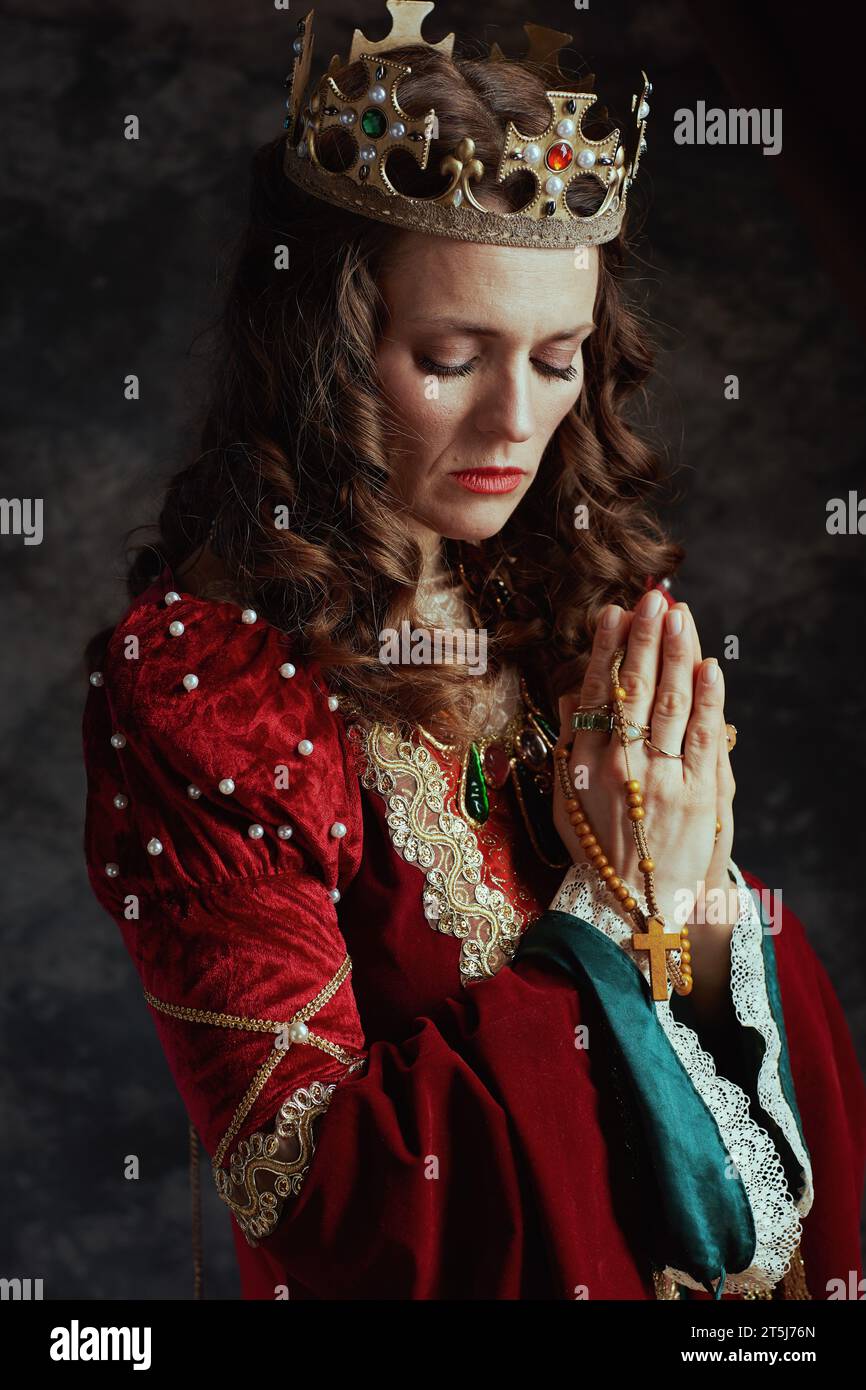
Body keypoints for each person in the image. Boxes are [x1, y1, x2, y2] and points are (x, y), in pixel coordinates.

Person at [81, 4, 866, 1301]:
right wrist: (612, 924)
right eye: (449, 358)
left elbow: (718, 1005)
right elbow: (309, 1185)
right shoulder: (204, 686)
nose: (518, 421)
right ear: (322, 349)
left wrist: (712, 921)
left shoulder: (572, 587)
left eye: (557, 359)